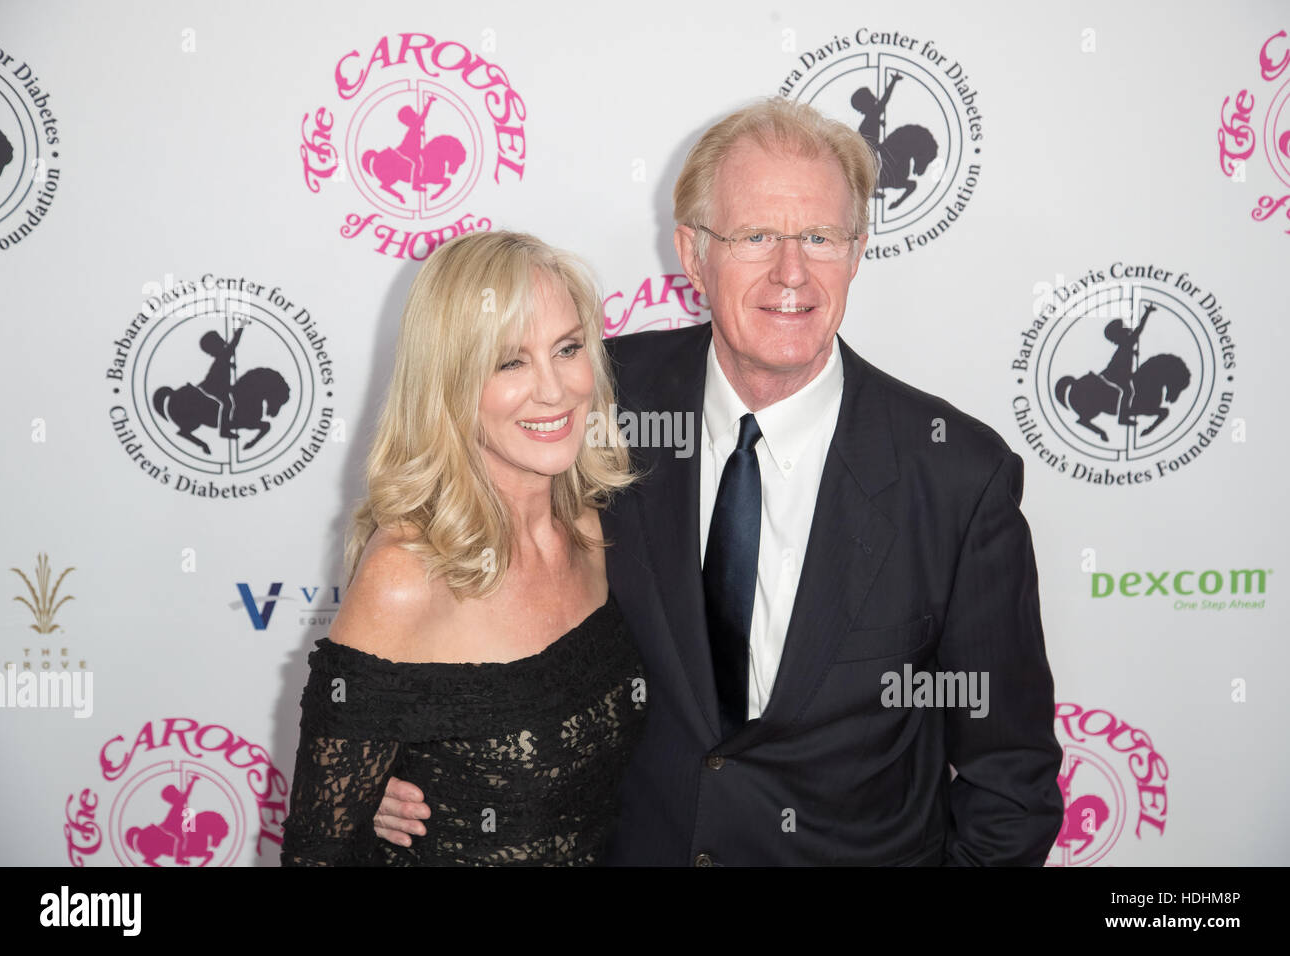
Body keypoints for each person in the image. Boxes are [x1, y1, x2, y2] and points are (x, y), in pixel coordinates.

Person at [374, 98, 1063, 865]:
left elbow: (1011, 778)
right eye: (756, 235)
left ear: (858, 250)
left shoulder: (956, 477)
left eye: (820, 237)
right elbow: (453, 540)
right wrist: (396, 759)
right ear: (693, 252)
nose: (791, 272)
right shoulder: (590, 400)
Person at [281, 230, 646, 866]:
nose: (554, 390)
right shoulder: (407, 575)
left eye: (567, 348)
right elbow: (319, 855)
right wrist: (367, 810)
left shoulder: (586, 525)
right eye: (510, 362)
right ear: (448, 384)